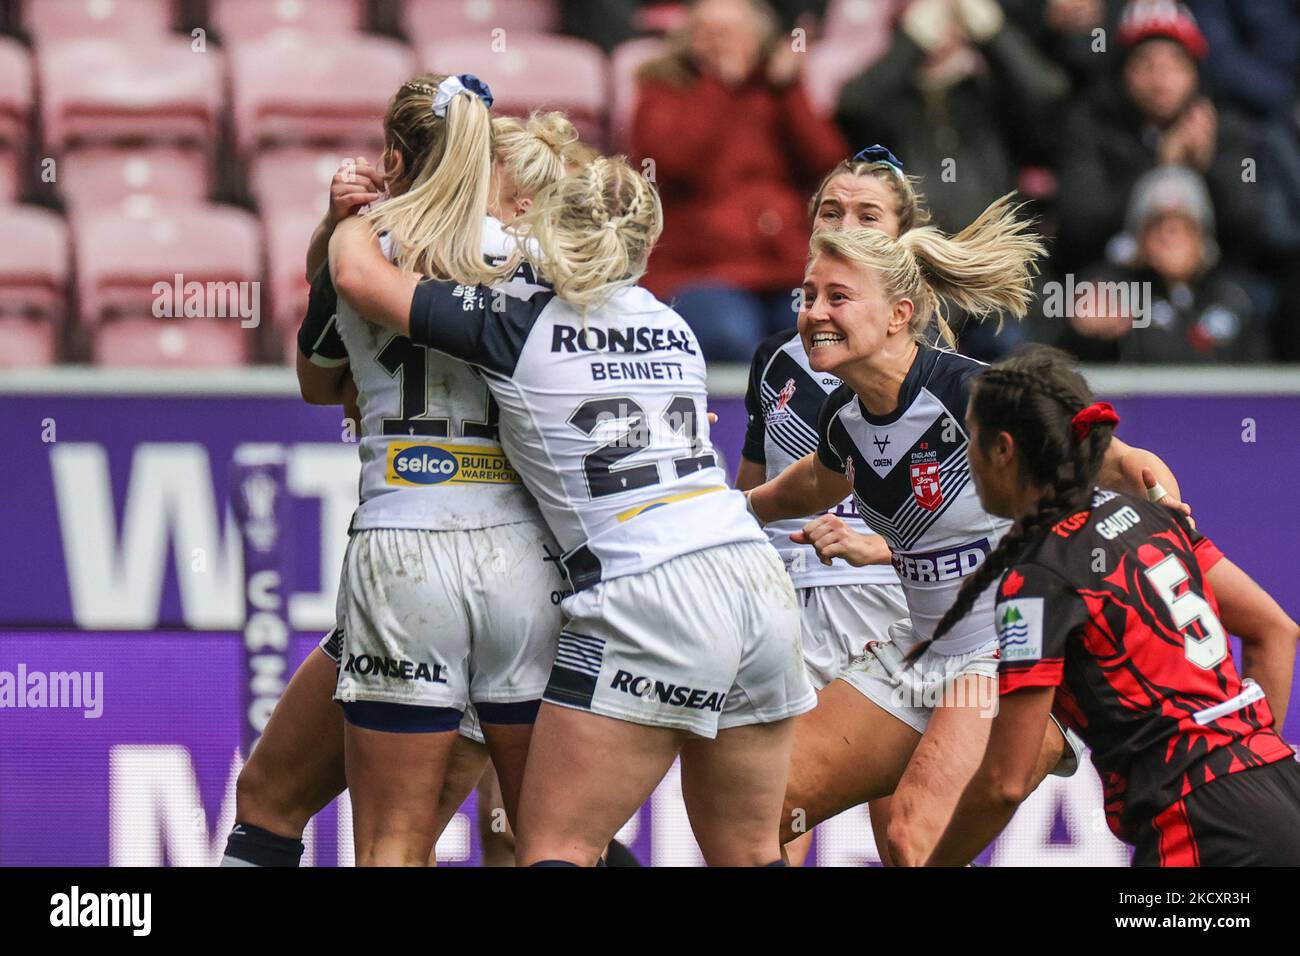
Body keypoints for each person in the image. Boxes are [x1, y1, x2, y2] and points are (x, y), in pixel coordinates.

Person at [330, 156, 816, 866]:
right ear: (646, 244)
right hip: (752, 577)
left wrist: (349, 218)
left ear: (549, 228)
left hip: (651, 587)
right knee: (747, 850)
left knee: (555, 845)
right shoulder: (672, 325)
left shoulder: (516, 320)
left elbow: (358, 280)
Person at [744, 199, 1188, 866]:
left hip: (1008, 653)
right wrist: (713, 517)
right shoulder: (845, 420)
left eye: (837, 296)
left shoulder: (974, 394)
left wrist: (1173, 529)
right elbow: (797, 492)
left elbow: (1127, 464)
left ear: (899, 316)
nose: (814, 313)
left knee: (911, 836)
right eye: (808, 296)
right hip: (922, 652)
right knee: (755, 813)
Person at [221, 86, 589, 867]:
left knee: (387, 841)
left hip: (404, 544)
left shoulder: (357, 246)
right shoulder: (540, 256)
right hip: (525, 556)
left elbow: (319, 384)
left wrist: (337, 228)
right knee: (550, 839)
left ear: (392, 158)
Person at [927, 346, 1300, 866]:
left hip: (1199, 825)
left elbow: (1004, 784)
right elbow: (1276, 629)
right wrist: (1248, 766)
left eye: (970, 436)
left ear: (1005, 448)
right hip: (1279, 789)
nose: (965, 454)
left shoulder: (1037, 574)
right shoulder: (1153, 515)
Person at [630, 0, 847, 361]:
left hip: (785, 268)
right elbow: (670, 164)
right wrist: (718, 86)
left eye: (732, 33)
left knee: (818, 334)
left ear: (758, 37)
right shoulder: (663, 87)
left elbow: (827, 165)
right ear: (689, 39)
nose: (721, 44)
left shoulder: (775, 88)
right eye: (709, 33)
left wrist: (790, 89)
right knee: (729, 335)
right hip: (701, 270)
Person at [1051, 164, 1266, 362]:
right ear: (1138, 238)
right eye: (1156, 222)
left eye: (1183, 222)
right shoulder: (1115, 292)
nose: (1168, 234)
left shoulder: (1232, 298)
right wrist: (1085, 333)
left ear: (1202, 235)